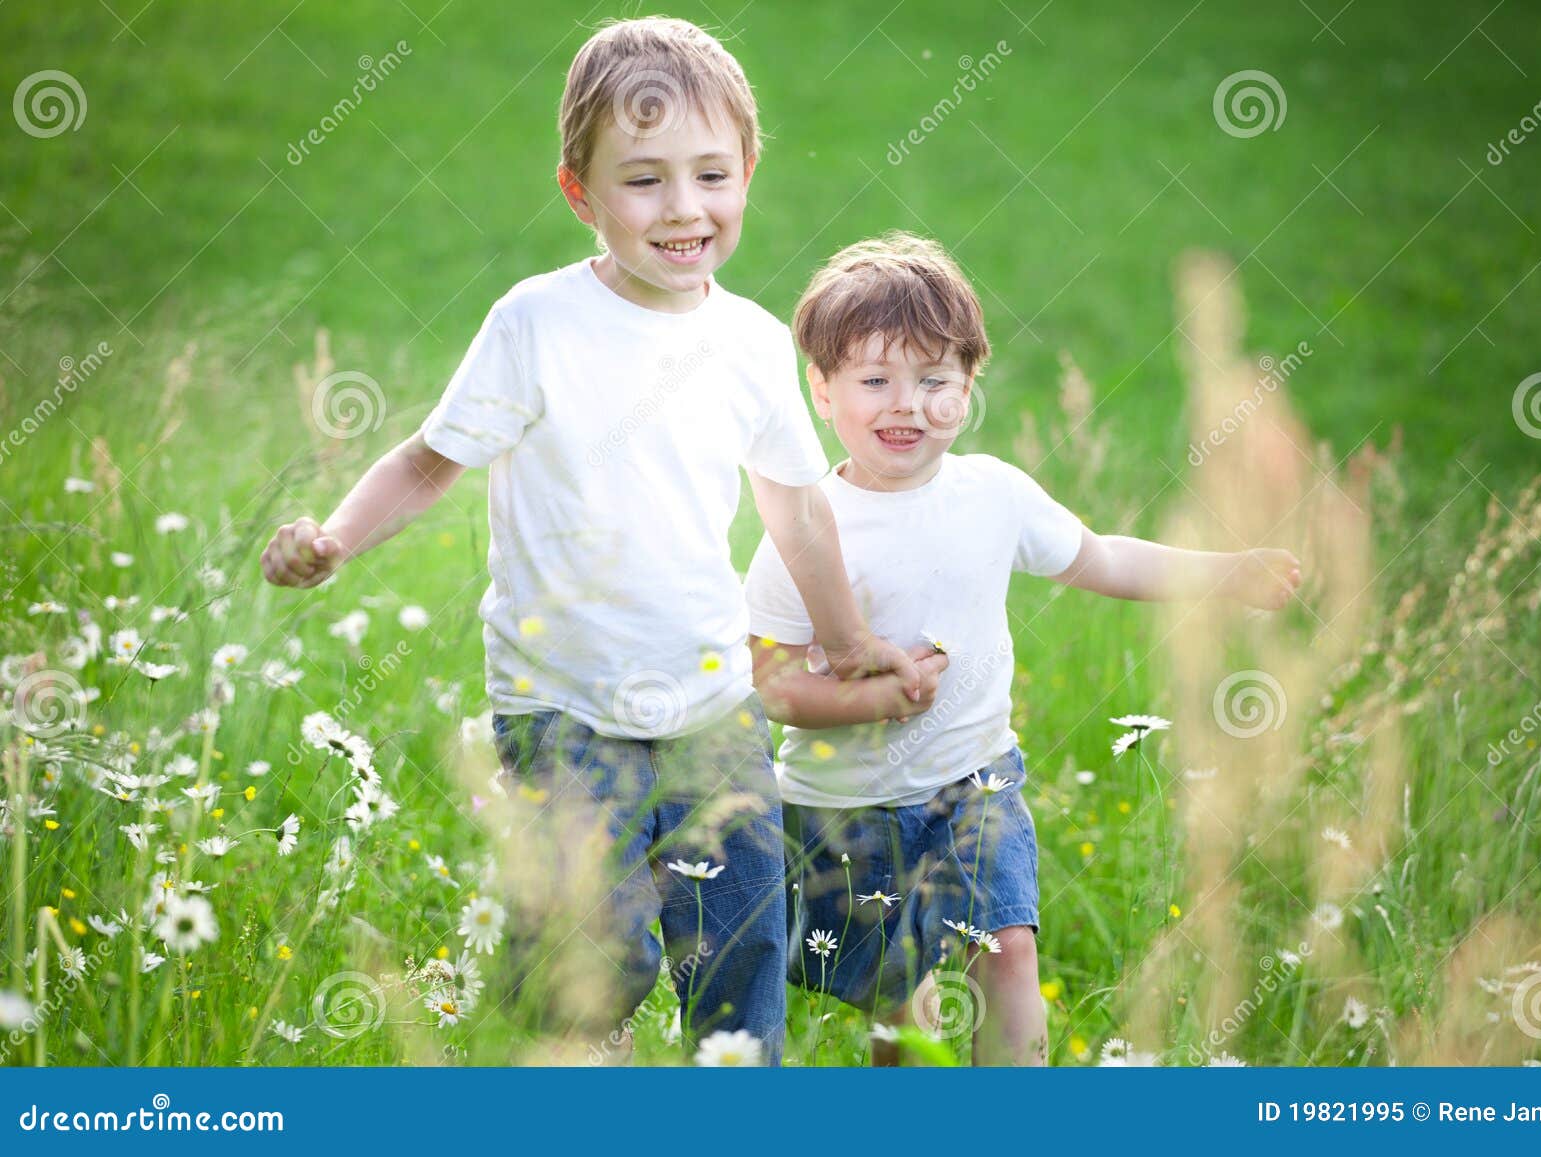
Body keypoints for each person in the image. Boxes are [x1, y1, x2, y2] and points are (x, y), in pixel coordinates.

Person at [259, 18, 919, 1065]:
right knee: (592, 944)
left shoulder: (751, 342)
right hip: (561, 701)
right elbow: (431, 459)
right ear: (581, 193)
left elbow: (798, 507)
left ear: (747, 172)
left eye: (710, 174)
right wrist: (336, 538)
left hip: (710, 696)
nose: (684, 208)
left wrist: (844, 644)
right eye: (643, 180)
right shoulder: (536, 323)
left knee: (744, 934)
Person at [744, 232, 1301, 1064]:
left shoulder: (994, 494)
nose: (907, 404)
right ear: (821, 390)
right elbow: (776, 687)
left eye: (934, 380)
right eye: (875, 380)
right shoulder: (803, 535)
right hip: (844, 806)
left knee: (1007, 951)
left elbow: (1104, 556)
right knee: (897, 1001)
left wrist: (1225, 572)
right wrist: (870, 699)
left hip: (977, 781)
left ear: (969, 385)